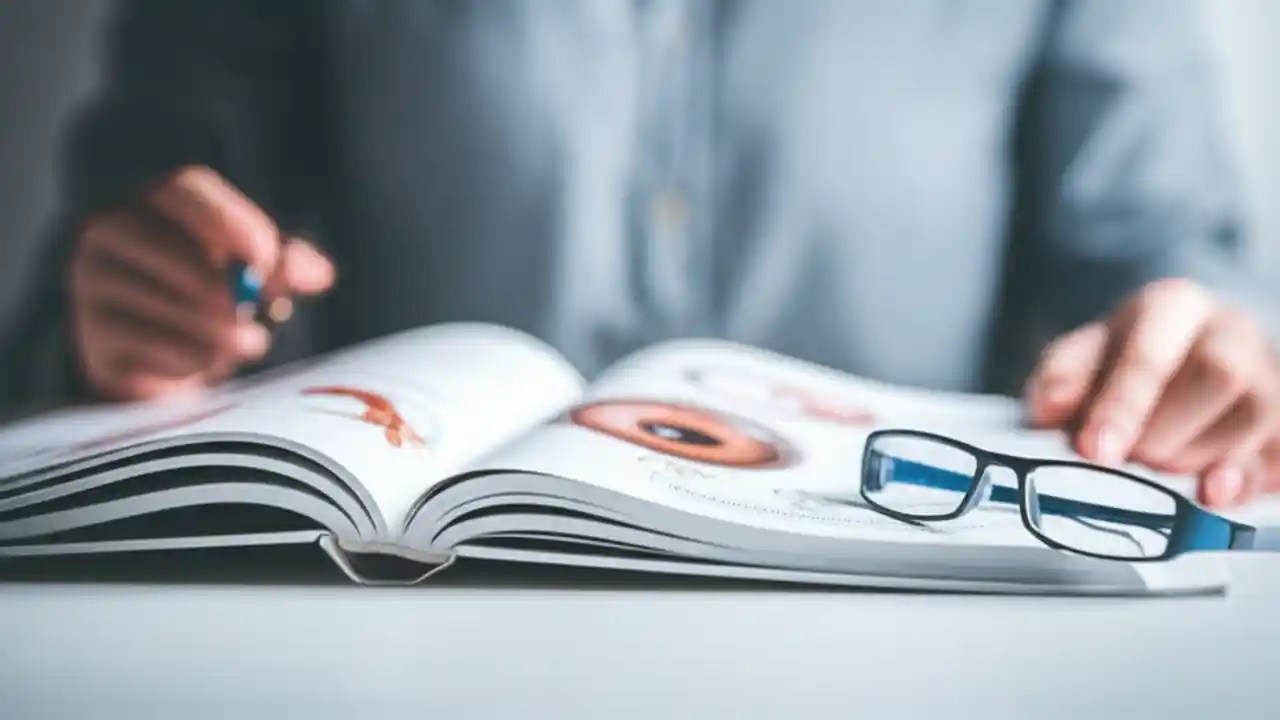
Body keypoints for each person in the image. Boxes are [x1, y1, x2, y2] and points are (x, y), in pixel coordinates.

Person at [3, 1, 1279, 509]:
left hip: (914, 619)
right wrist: (117, 310)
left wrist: (1199, 342)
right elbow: (155, 216)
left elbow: (1159, 252)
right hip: (402, 617)